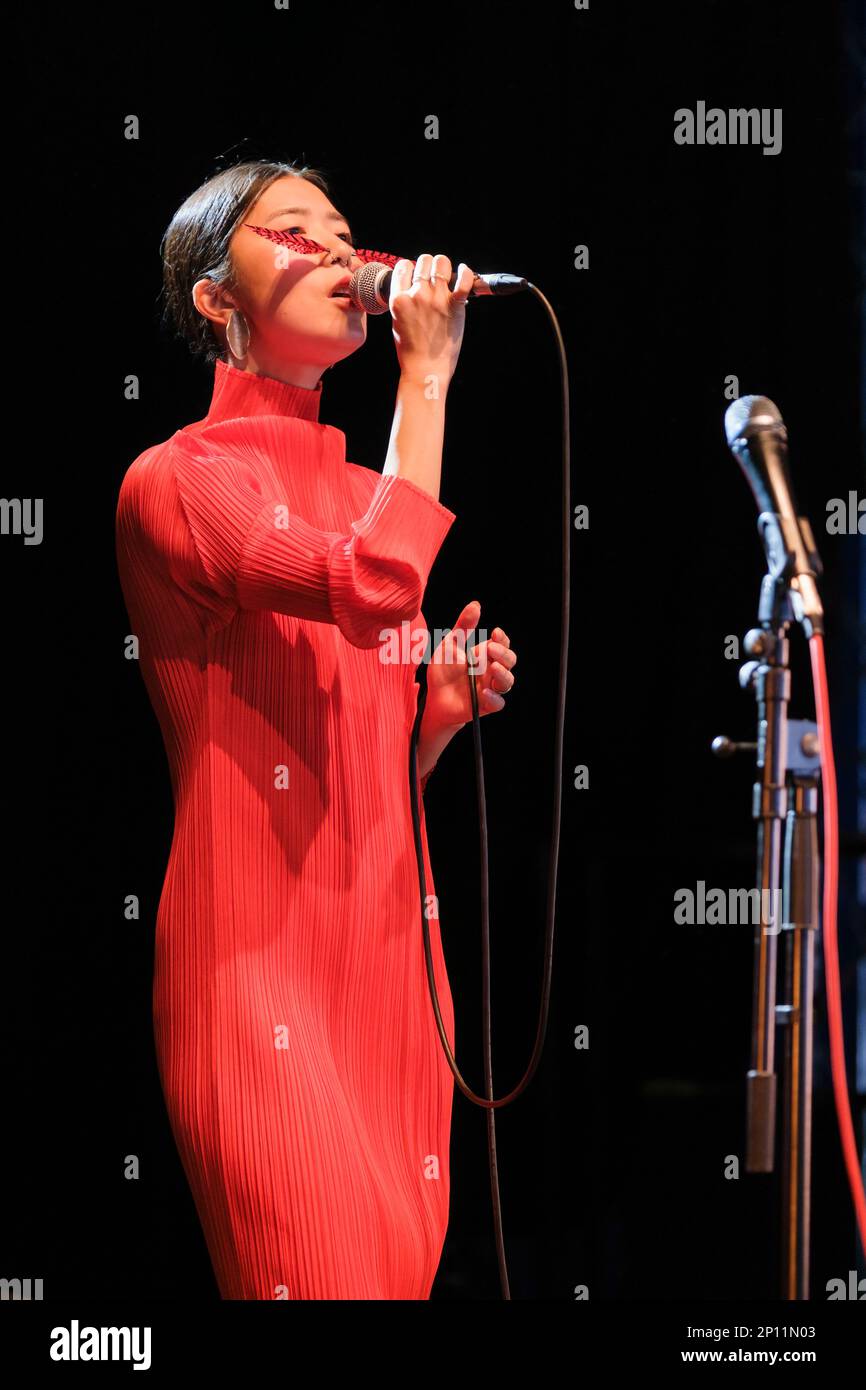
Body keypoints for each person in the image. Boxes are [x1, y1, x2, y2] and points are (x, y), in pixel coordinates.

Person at [115, 159, 518, 1299]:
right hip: (258, 971)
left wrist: (429, 721)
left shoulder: (368, 486)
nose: (336, 255)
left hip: (389, 968)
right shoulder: (176, 479)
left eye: (342, 233)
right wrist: (426, 376)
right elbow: (375, 584)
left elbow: (358, 710)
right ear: (215, 299)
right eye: (291, 233)